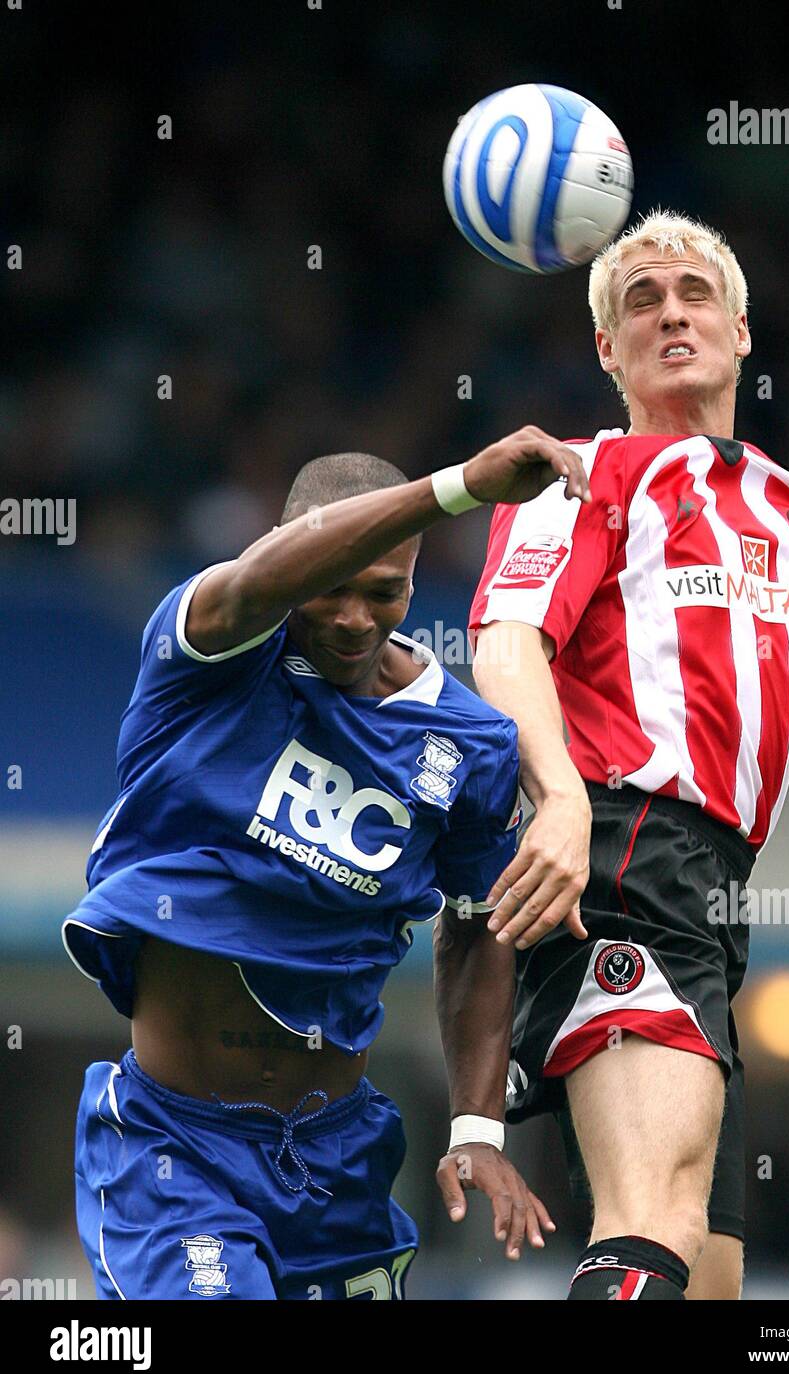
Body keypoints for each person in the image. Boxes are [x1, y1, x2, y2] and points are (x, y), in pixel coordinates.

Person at [466, 210, 789, 1301]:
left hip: (715, 893)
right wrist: (562, 803)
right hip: (626, 851)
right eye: (640, 299)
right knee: (649, 1225)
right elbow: (505, 644)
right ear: (605, 350)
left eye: (694, 292)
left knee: (710, 1277)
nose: (672, 311)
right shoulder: (582, 475)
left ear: (741, 329)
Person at [63, 429, 591, 1300]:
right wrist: (458, 484)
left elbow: (476, 923)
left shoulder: (468, 741)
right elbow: (263, 580)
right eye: (329, 587)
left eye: (385, 592)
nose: (352, 618)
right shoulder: (211, 652)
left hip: (336, 1156)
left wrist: (477, 1128)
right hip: (176, 1149)